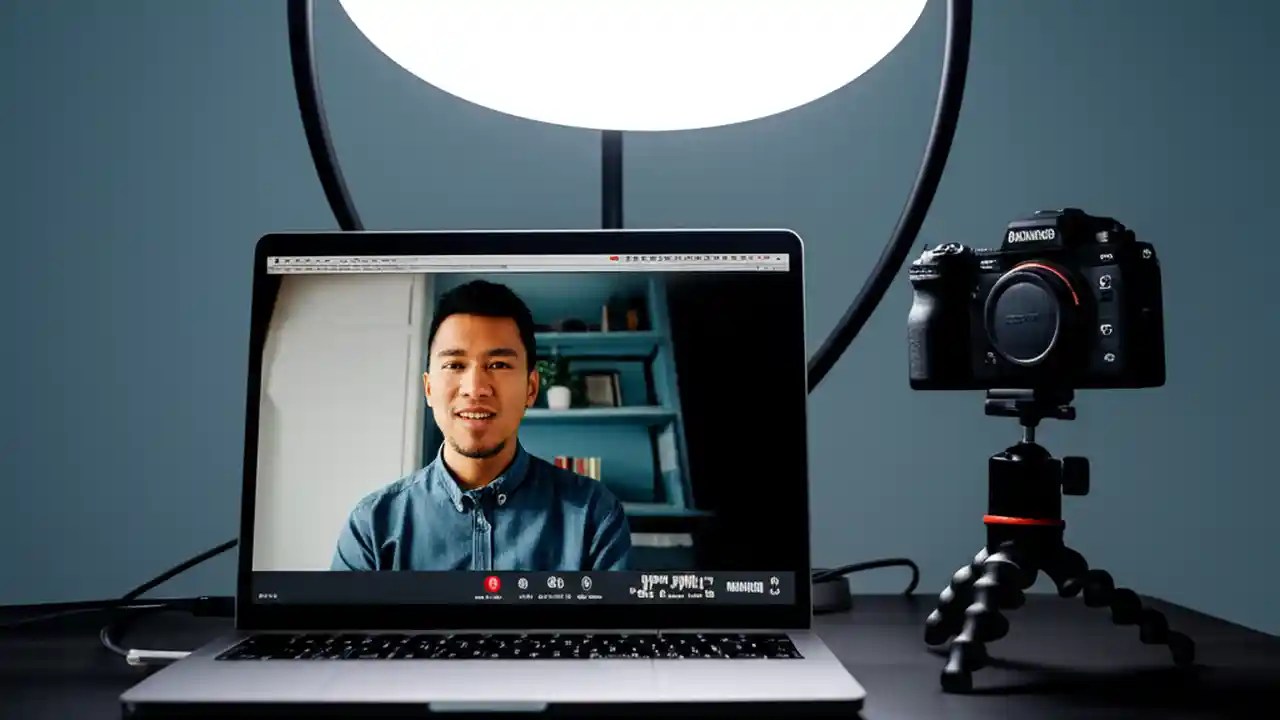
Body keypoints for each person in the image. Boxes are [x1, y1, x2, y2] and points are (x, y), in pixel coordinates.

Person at [331, 279, 632, 572]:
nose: (475, 388)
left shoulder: (593, 515)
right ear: (429, 389)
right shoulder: (372, 525)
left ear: (531, 387)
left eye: (498, 365)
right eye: (455, 365)